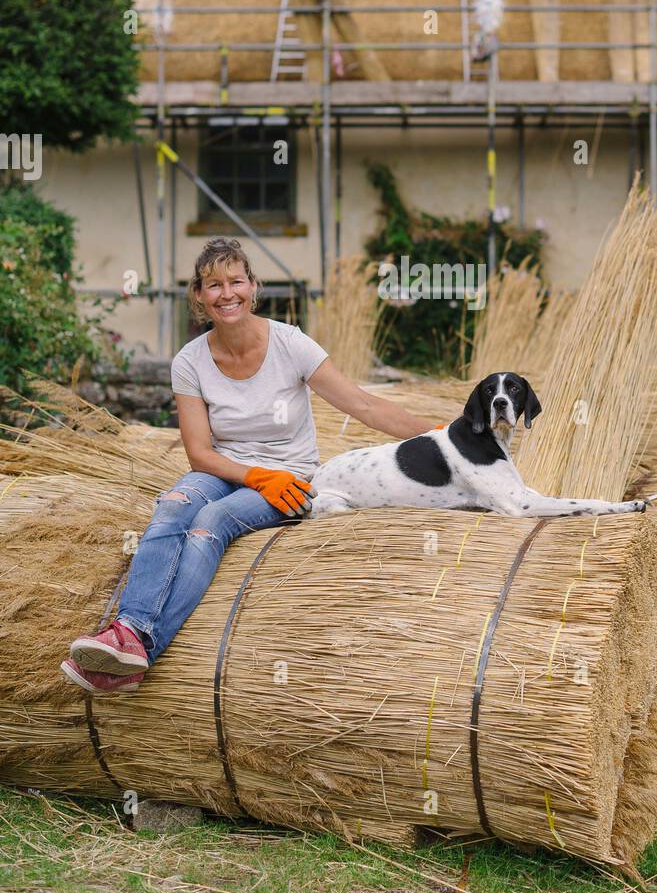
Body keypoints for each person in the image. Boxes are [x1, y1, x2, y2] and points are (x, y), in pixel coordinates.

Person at [61, 236, 439, 694]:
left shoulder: (290, 344)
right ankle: (127, 632)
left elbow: (364, 405)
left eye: (236, 281)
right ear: (199, 296)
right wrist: (256, 474)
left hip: (291, 475)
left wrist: (445, 436)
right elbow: (200, 454)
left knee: (211, 522)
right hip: (224, 469)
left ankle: (141, 650)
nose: (227, 293)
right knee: (175, 503)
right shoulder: (189, 361)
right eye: (213, 285)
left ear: (253, 286)